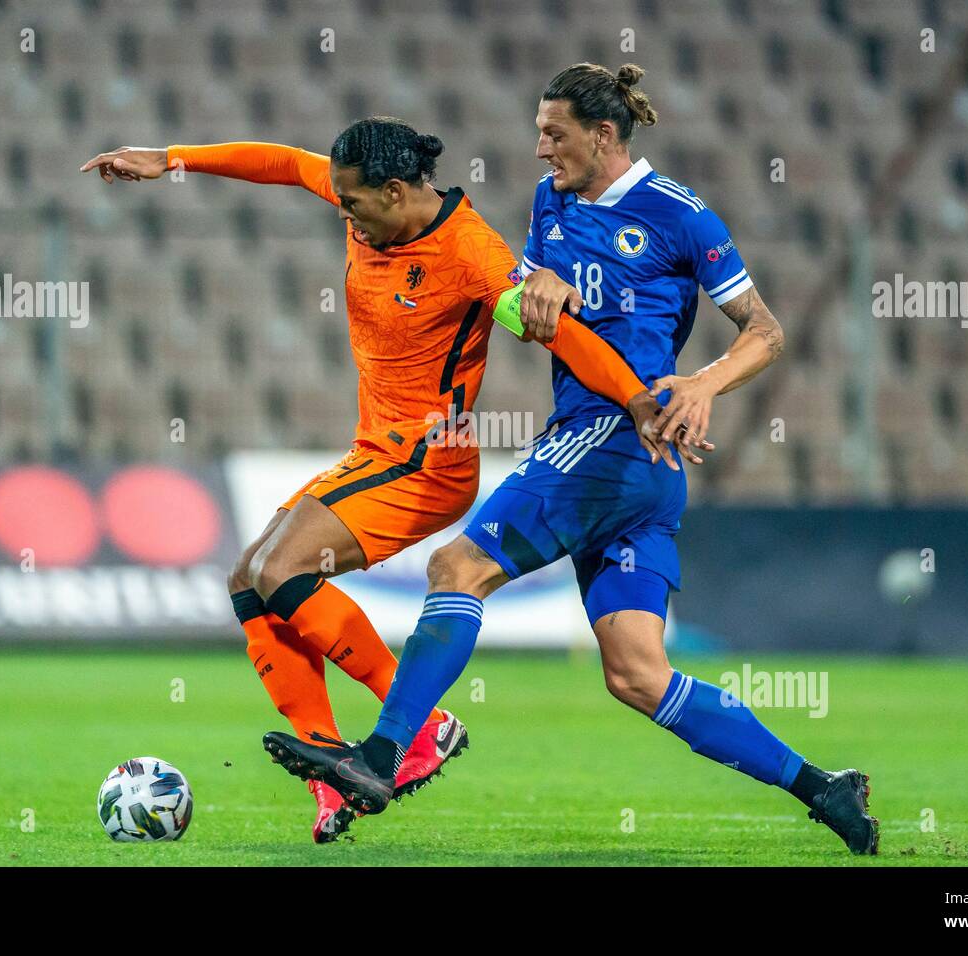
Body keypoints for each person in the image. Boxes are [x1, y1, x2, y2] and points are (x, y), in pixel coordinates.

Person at [261, 68, 879, 855]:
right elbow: (533, 294)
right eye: (538, 130)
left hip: (615, 437)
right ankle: (823, 787)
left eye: (554, 133)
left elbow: (764, 330)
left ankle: (381, 756)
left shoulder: (681, 216)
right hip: (634, 467)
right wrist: (536, 284)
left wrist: (702, 382)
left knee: (457, 568)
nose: (539, 146)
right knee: (637, 676)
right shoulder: (550, 201)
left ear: (604, 135)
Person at [80, 116, 681, 843]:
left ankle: (421, 727)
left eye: (356, 203)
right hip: (375, 454)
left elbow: (569, 337)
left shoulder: (471, 254)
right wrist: (169, 158)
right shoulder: (363, 204)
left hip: (426, 463)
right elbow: (276, 162)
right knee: (249, 580)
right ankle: (332, 775)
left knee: (278, 567)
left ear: (396, 192)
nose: (344, 214)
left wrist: (641, 400)